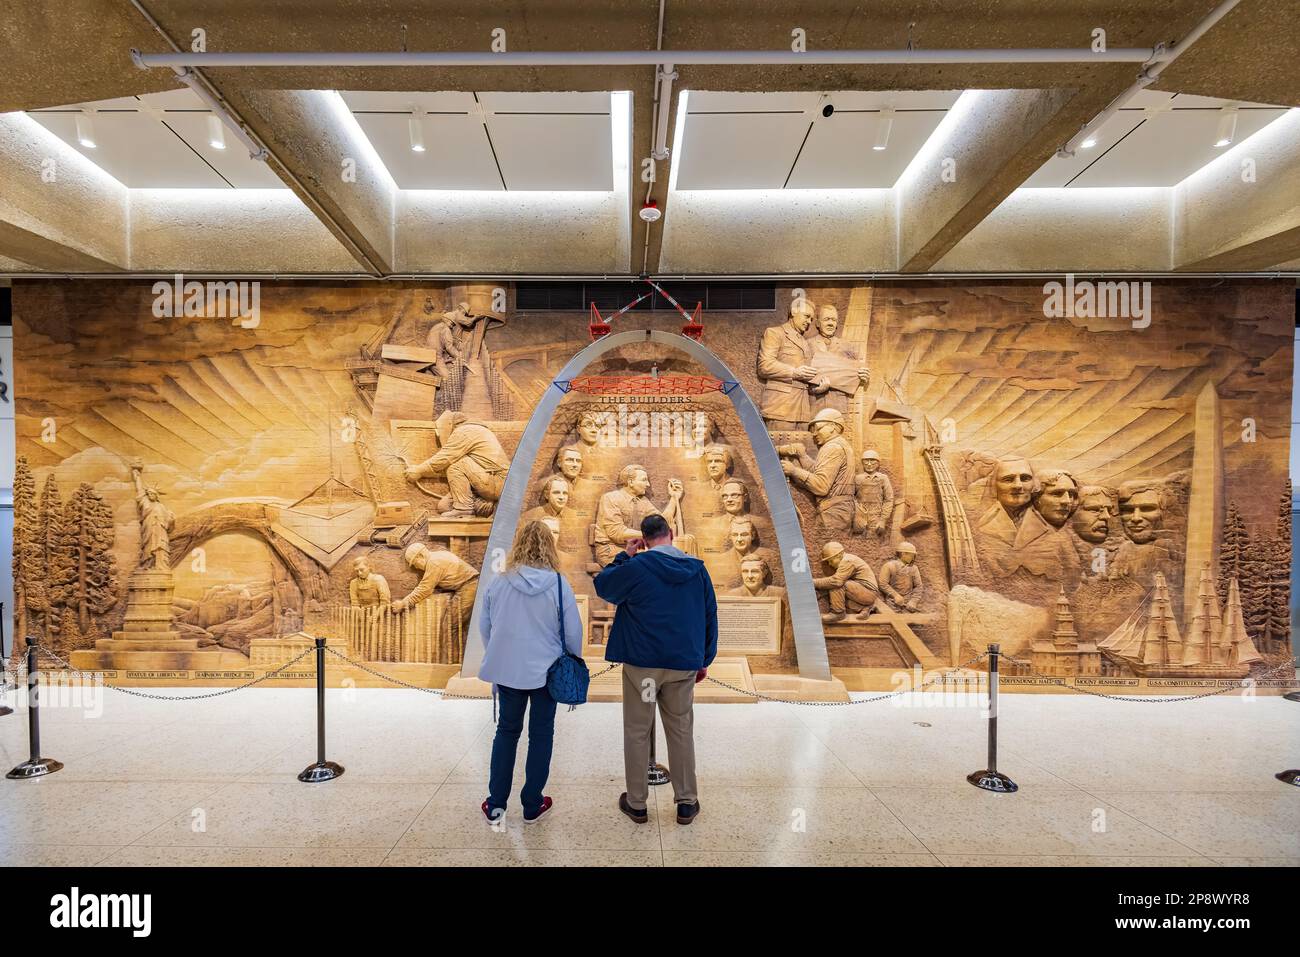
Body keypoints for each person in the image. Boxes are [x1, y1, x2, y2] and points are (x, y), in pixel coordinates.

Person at [594, 513, 718, 827]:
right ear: (672, 534)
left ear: (645, 539)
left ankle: (637, 804)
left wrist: (625, 554)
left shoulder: (636, 567)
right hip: (681, 666)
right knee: (680, 730)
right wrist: (704, 659)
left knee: (637, 730)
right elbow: (709, 616)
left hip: (644, 668)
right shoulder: (697, 570)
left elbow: (604, 586)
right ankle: (686, 802)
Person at [478, 520, 584, 825]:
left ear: (519, 544)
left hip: (509, 671)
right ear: (549, 546)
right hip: (547, 672)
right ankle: (532, 803)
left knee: (506, 734)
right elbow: (573, 632)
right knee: (541, 735)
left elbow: (487, 627)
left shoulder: (499, 582)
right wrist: (574, 662)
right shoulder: (559, 584)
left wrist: (497, 656)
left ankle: (496, 804)